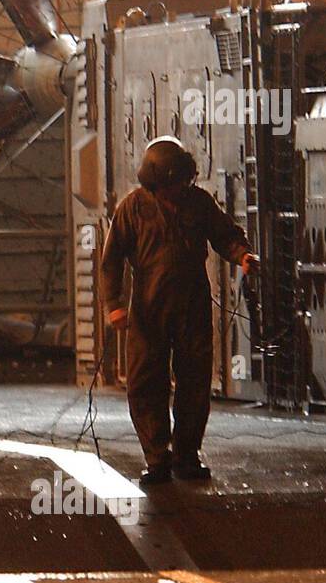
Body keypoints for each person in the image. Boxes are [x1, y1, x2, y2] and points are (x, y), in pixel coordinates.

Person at [99, 136, 260, 487]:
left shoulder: (198, 203)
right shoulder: (132, 209)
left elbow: (224, 234)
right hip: (148, 309)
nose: (181, 188)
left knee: (194, 381)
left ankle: (187, 456)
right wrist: (113, 306)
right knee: (146, 383)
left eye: (185, 181)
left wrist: (242, 255)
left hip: (192, 306)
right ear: (156, 180)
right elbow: (111, 262)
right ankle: (157, 458)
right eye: (175, 183)